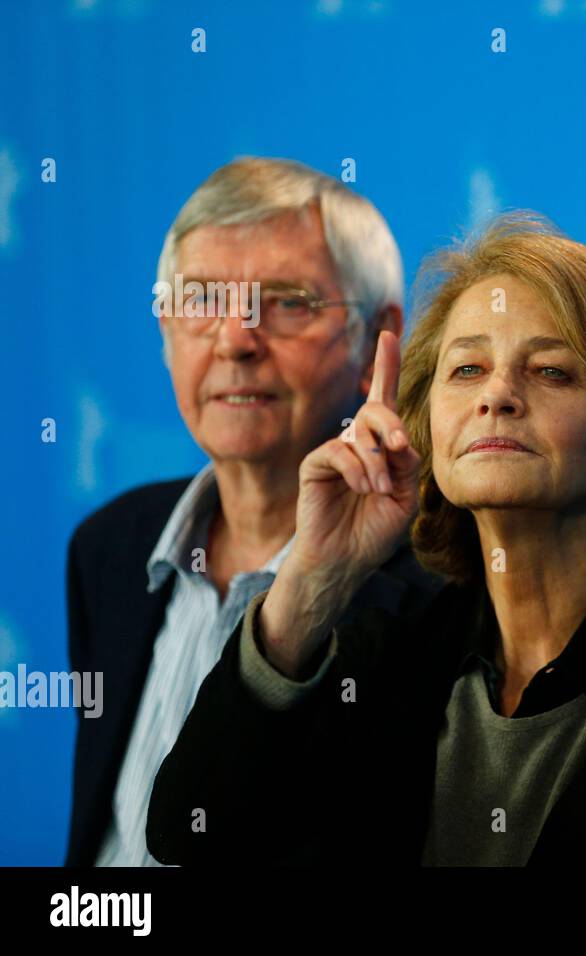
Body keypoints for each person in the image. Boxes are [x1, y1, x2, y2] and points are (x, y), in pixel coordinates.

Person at [146, 213, 586, 866]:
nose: (497, 395)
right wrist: (312, 578)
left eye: (551, 371)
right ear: (427, 426)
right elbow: (191, 831)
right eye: (467, 370)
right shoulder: (380, 660)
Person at [65, 157, 438, 867]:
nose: (235, 339)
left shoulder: (439, 589)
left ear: (376, 339)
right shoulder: (109, 547)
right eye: (202, 300)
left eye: (288, 302)